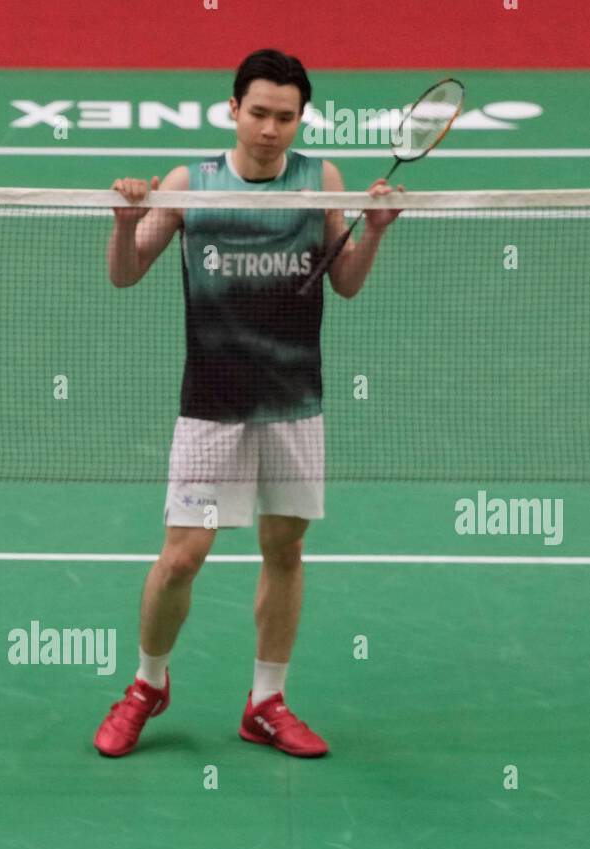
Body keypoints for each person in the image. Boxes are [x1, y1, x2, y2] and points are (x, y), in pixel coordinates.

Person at [93, 48, 403, 759]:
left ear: (301, 118)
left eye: (284, 116)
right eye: (257, 113)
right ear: (232, 110)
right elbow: (126, 273)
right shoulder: (189, 183)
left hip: (293, 406)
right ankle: (146, 685)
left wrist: (374, 233)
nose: (269, 128)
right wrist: (119, 222)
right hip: (212, 409)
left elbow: (345, 282)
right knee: (182, 556)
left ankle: (265, 701)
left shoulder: (317, 181)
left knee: (284, 547)